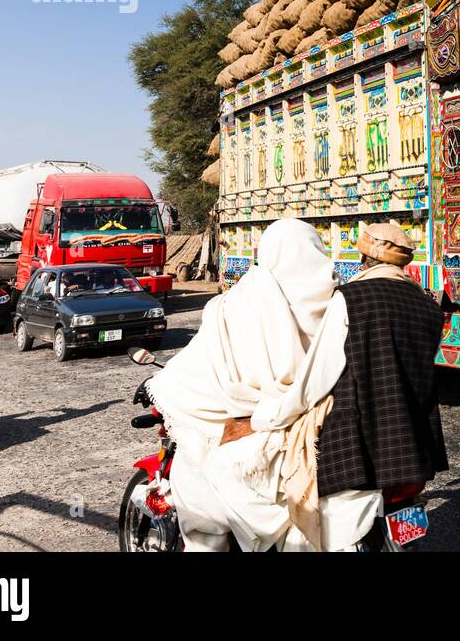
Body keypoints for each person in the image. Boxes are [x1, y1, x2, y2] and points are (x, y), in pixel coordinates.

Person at [147, 218, 355, 551]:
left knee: (196, 484)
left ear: (269, 252)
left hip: (252, 433)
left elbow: (200, 362)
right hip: (313, 430)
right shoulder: (339, 303)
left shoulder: (242, 299)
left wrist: (161, 382)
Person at [316, 221, 448, 522]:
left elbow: (324, 367)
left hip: (361, 446)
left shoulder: (348, 298)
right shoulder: (428, 307)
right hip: (413, 447)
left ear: (365, 259)